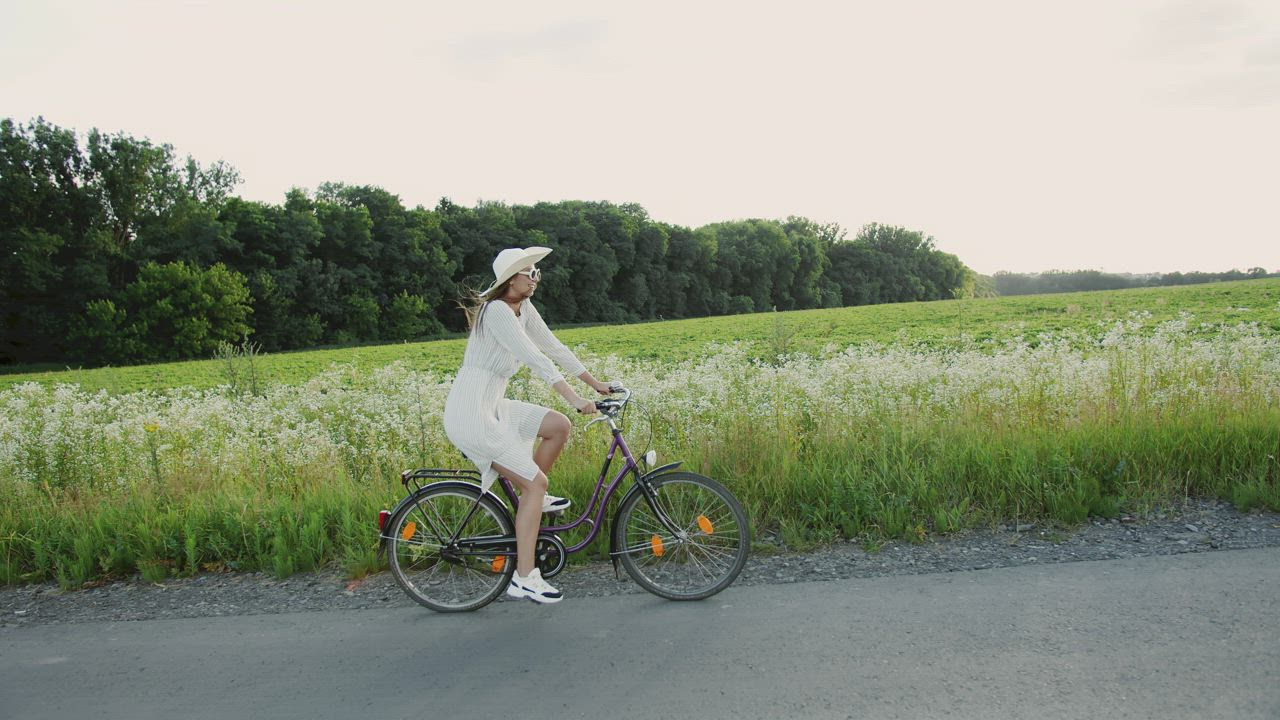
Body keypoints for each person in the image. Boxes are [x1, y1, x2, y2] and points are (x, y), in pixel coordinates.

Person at [443, 246, 614, 605]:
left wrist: (596, 383)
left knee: (558, 426)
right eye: (529, 273)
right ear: (511, 278)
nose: (535, 279)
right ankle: (524, 578)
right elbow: (535, 359)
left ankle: (529, 500)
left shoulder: (523, 309)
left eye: (537, 272)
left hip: (493, 405)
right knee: (537, 485)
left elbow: (552, 346)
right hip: (471, 411)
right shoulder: (497, 311)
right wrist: (576, 398)